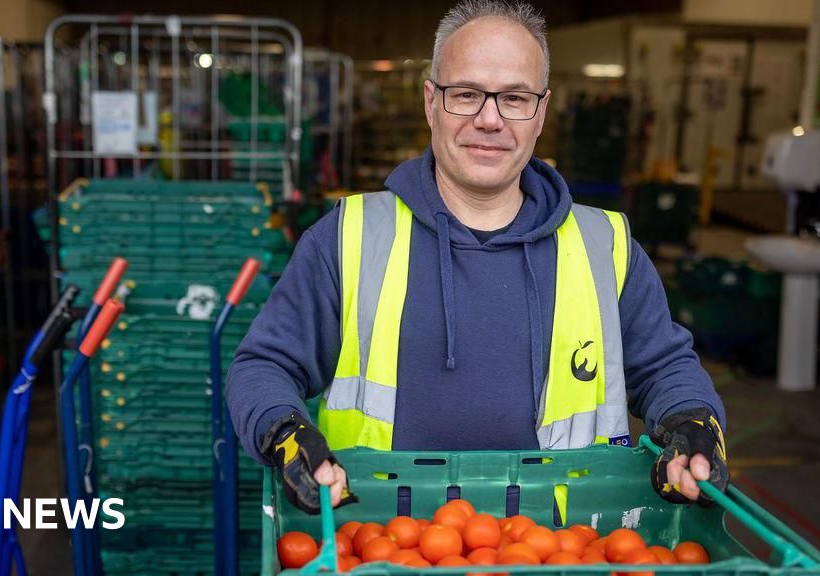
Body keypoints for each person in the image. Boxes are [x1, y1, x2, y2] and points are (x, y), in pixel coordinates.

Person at [227, 0, 728, 514]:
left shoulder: (606, 246)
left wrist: (693, 419)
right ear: (430, 102)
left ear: (541, 112)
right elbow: (264, 364)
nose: (489, 120)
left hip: (560, 550)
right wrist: (284, 429)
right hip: (377, 542)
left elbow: (665, 368)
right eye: (466, 94)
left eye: (514, 98)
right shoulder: (350, 237)